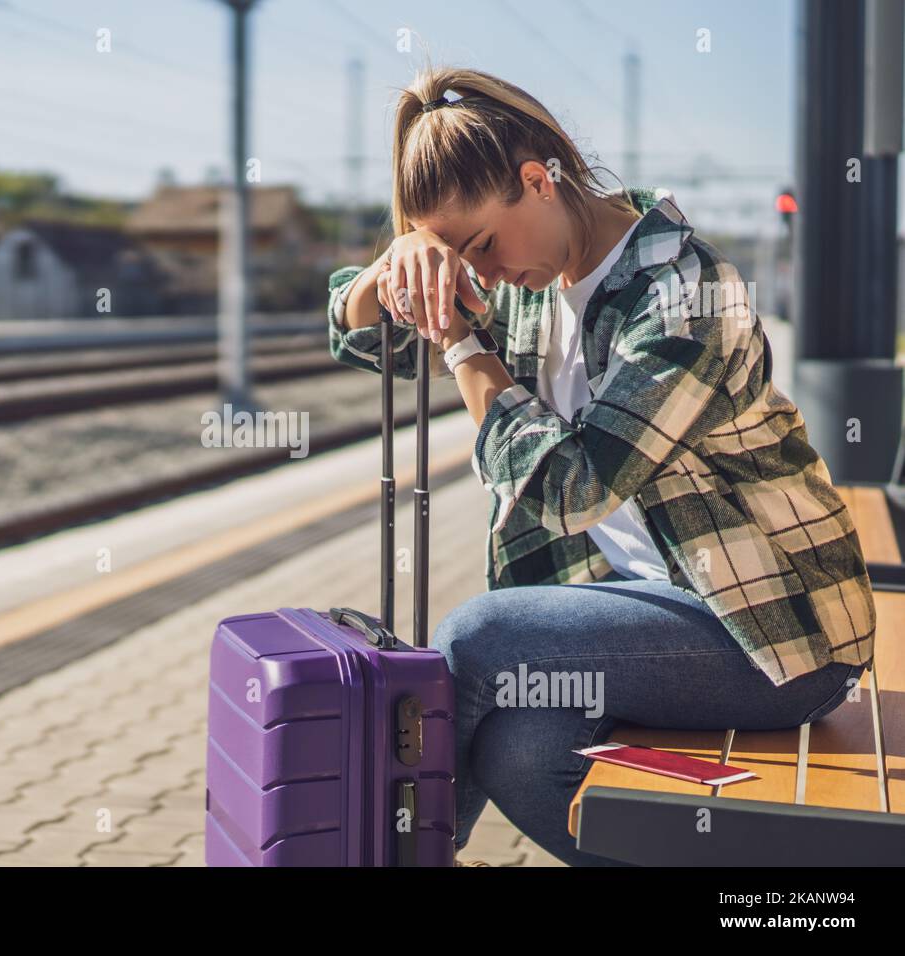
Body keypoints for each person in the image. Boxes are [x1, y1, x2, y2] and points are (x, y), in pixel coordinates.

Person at [327, 66, 875, 867]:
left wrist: (462, 343)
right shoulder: (520, 280)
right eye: (459, 258)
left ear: (538, 180)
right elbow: (361, 335)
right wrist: (398, 267)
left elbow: (571, 487)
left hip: (773, 634)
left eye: (479, 245)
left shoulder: (684, 291)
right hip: (643, 617)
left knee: (476, 639)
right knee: (518, 752)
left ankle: (390, 860)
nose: (478, 275)